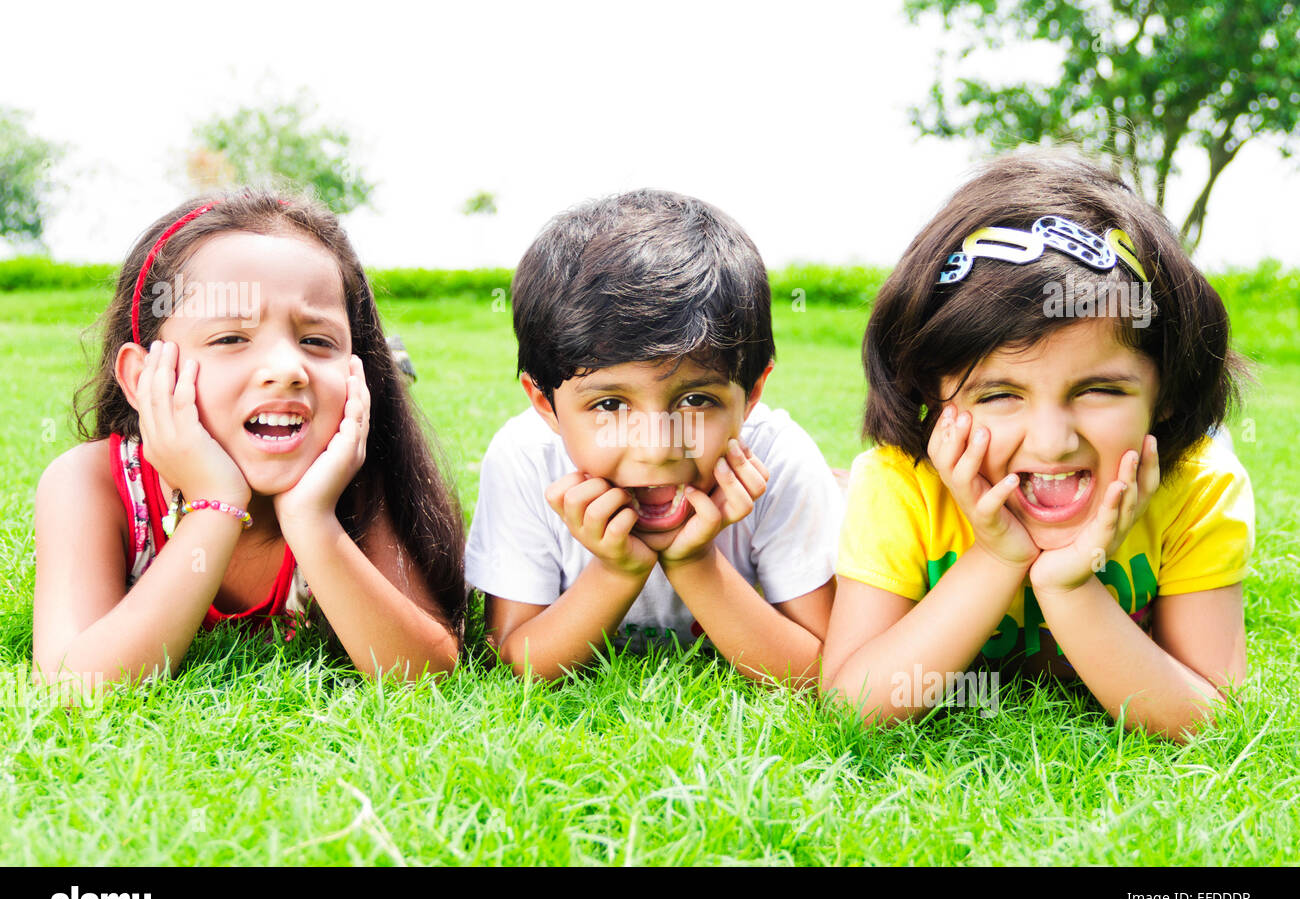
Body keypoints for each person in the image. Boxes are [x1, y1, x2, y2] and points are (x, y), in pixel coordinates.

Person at [821, 153, 1253, 741]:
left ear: (1169, 389)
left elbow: (1211, 721)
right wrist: (996, 558)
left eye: (1098, 389)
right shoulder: (899, 486)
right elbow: (856, 706)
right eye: (999, 394)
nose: (1051, 443)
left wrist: (1070, 586)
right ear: (931, 397)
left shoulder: (1198, 489)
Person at [33, 191, 466, 690]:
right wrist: (216, 505)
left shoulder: (353, 473)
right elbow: (73, 685)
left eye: (317, 341)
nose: (287, 369)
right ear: (143, 376)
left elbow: (424, 675)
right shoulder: (94, 482)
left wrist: (312, 520)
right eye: (231, 338)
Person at [465, 189, 842, 685]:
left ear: (751, 394)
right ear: (545, 404)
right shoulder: (525, 459)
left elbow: (825, 674)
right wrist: (616, 572)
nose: (657, 448)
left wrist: (696, 563)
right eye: (609, 405)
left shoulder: (781, 460)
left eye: (695, 401)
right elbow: (513, 663)